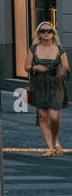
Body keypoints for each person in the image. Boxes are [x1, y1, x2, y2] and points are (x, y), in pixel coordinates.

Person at [24, 22, 67, 157]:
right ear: (39, 33)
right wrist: (35, 67)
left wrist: (61, 70)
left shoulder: (59, 49)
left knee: (55, 117)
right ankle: (49, 147)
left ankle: (55, 140)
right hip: (39, 84)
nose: (46, 33)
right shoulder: (34, 48)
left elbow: (66, 66)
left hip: (55, 85)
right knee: (43, 117)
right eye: (43, 31)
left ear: (53, 33)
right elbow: (26, 66)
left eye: (49, 31)